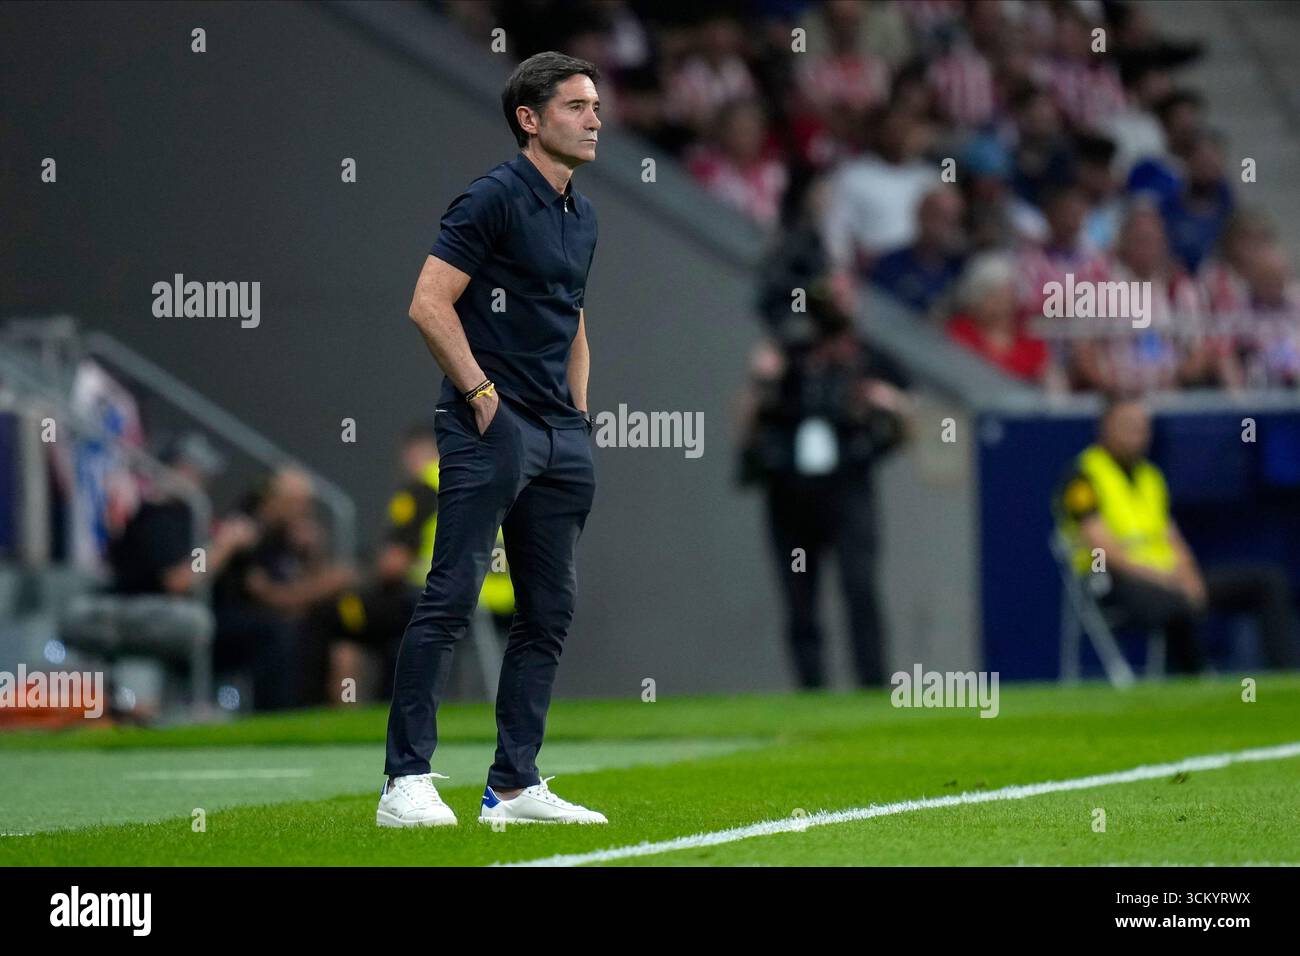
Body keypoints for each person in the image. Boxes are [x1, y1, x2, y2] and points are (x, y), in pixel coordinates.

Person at [378, 52, 605, 828]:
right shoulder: (492, 198)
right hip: (492, 428)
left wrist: (576, 417)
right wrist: (482, 398)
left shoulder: (583, 212)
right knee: (449, 596)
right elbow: (428, 303)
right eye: (576, 106)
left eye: (596, 105)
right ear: (530, 120)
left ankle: (512, 784)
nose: (595, 118)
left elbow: (571, 319)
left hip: (558, 434)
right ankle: (404, 781)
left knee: (548, 611)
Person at [738, 281, 911, 689]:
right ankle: (811, 686)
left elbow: (908, 421)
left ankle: (872, 682)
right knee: (799, 597)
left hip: (847, 489)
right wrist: (760, 383)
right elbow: (746, 429)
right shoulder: (790, 357)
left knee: (859, 586)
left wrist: (892, 407)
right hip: (791, 494)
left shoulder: (870, 360)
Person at [1053, 397, 1298, 674]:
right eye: (1128, 426)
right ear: (1105, 428)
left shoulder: (1151, 476)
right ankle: (1198, 675)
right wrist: (1165, 580)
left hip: (1168, 575)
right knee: (1176, 603)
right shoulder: (1082, 476)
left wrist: (1188, 577)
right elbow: (1103, 550)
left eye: (1143, 427)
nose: (1138, 435)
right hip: (1113, 581)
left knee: (1268, 581)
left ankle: (1287, 679)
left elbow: (1172, 537)